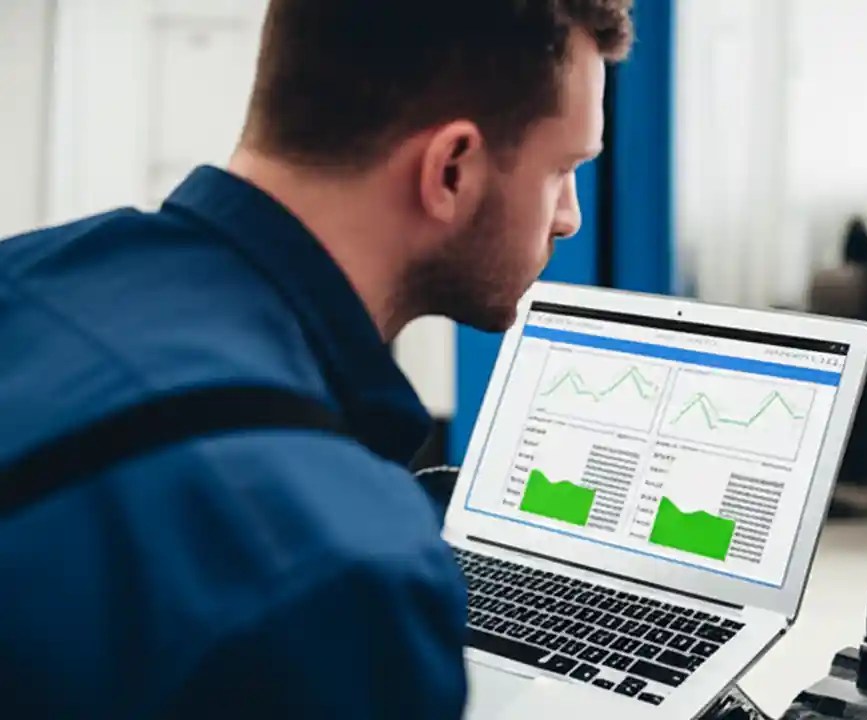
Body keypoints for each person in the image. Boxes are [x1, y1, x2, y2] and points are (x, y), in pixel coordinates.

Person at [0, 0, 633, 717]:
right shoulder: (341, 576)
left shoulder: (25, 278)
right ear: (451, 169)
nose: (570, 217)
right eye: (561, 170)